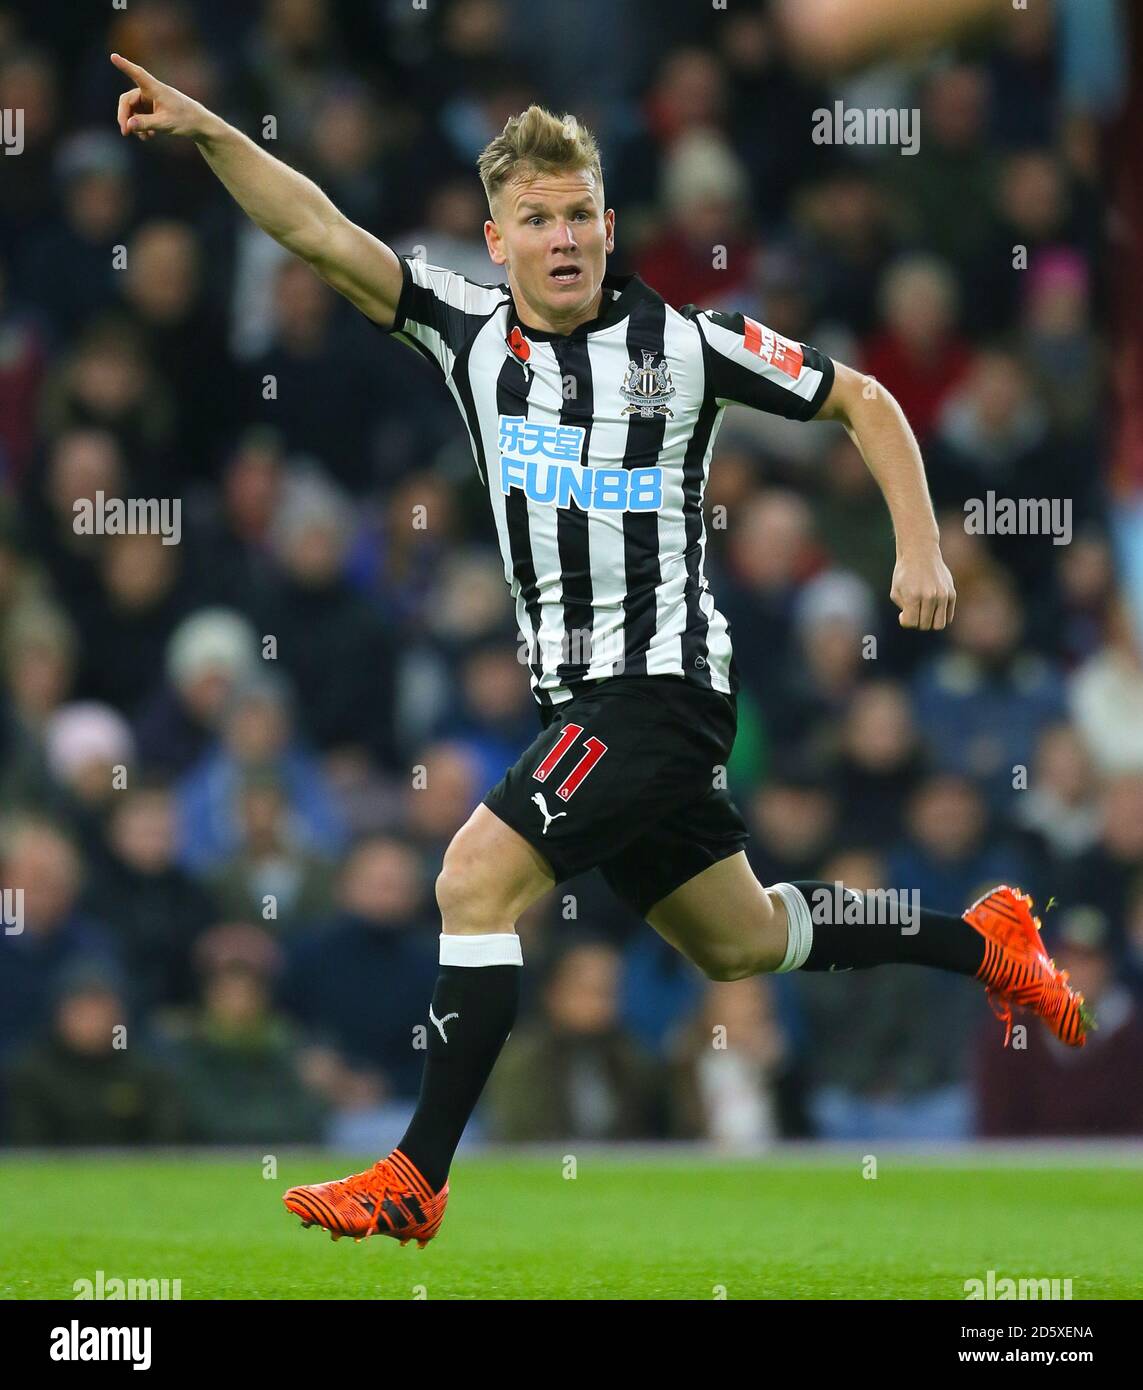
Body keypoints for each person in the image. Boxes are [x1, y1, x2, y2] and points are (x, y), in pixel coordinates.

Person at [110, 54, 1090, 1251]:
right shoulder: (463, 328)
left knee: (473, 877)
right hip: (579, 698)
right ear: (497, 238)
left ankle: (417, 1173)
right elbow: (314, 228)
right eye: (538, 219)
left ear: (610, 223)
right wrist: (210, 128)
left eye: (581, 214)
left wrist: (922, 549)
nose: (564, 236)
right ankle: (980, 939)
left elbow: (866, 402)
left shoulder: (689, 345)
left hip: (664, 689)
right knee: (735, 941)